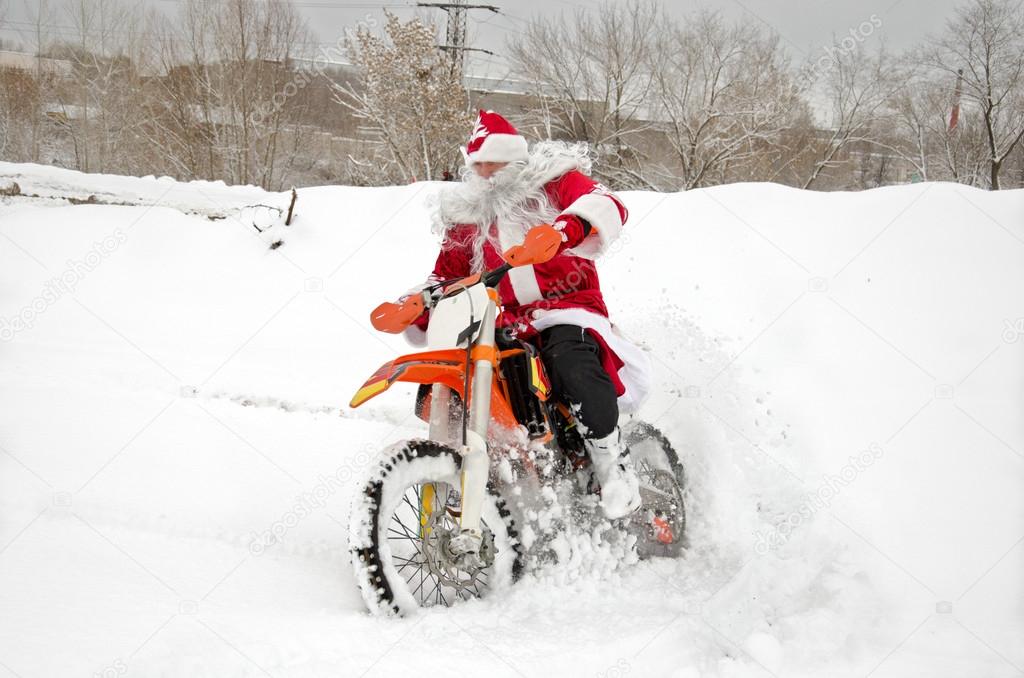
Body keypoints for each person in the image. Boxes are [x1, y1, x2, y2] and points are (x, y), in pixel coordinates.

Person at [408, 110, 651, 560]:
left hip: (565, 310)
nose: (484, 174)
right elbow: (448, 275)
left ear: (514, 161)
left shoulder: (555, 183)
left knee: (570, 360)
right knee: (465, 377)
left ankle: (610, 464)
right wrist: (419, 302)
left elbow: (605, 204)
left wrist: (566, 229)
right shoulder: (468, 216)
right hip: (499, 327)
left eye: (493, 164)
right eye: (477, 165)